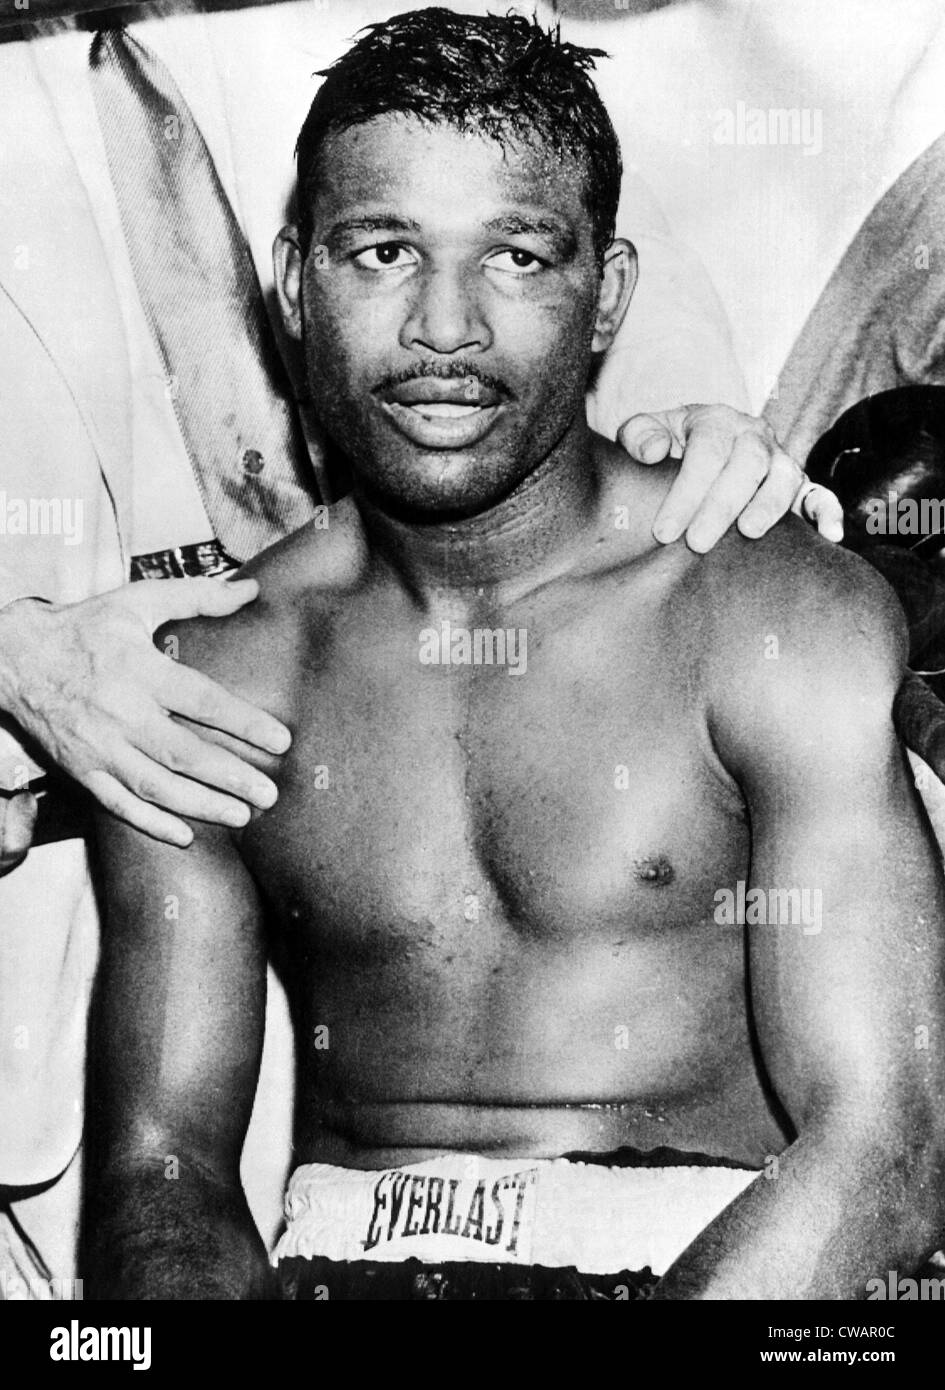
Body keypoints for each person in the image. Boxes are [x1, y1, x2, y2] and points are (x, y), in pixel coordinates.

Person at [85, 8, 945, 1301]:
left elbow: (885, 1146)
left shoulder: (768, 608)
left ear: (602, 293)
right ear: (291, 279)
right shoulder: (203, 675)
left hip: (725, 1271)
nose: (445, 326)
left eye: (516, 258)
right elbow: (160, 1171)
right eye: (382, 251)